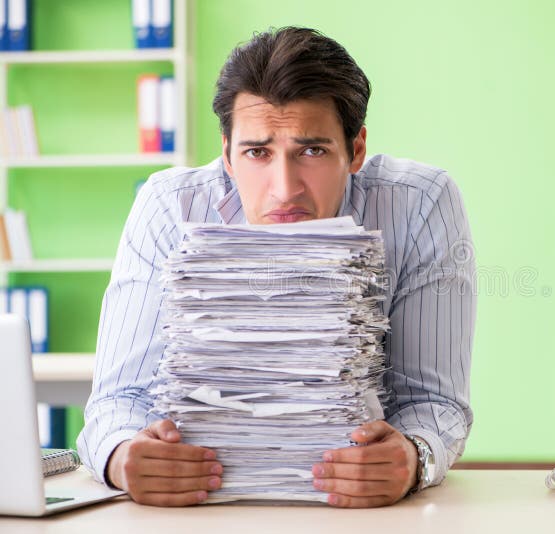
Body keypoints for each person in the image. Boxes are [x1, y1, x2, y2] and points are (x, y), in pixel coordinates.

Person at [77, 26, 475, 509]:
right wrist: (122, 457)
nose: (284, 189)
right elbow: (119, 397)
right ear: (226, 153)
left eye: (312, 151)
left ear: (356, 149)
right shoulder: (169, 208)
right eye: (257, 152)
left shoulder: (420, 203)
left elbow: (431, 400)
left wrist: (414, 458)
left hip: (358, 509)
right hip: (198, 506)